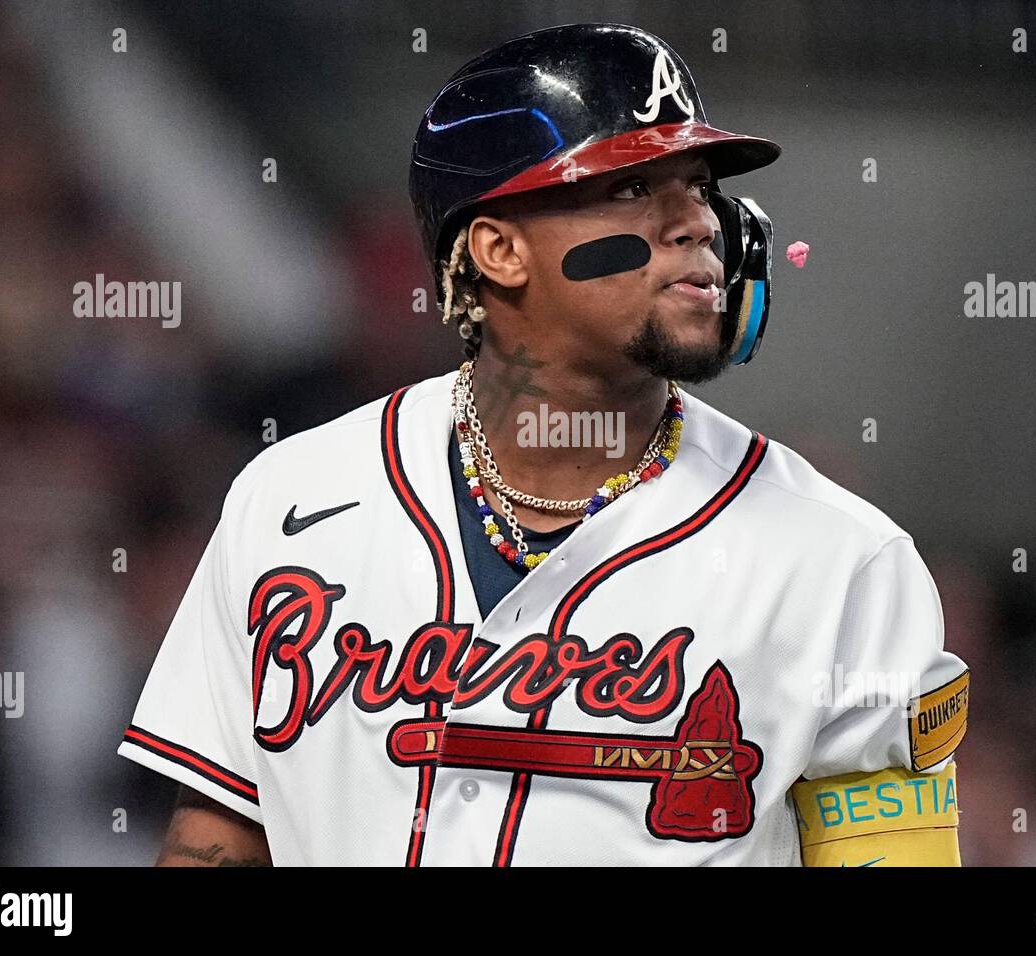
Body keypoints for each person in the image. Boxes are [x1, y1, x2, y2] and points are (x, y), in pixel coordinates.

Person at [119, 22, 969, 866]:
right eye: (633, 188)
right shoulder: (291, 497)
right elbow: (219, 835)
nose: (699, 222)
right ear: (497, 250)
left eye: (700, 186)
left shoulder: (843, 562)